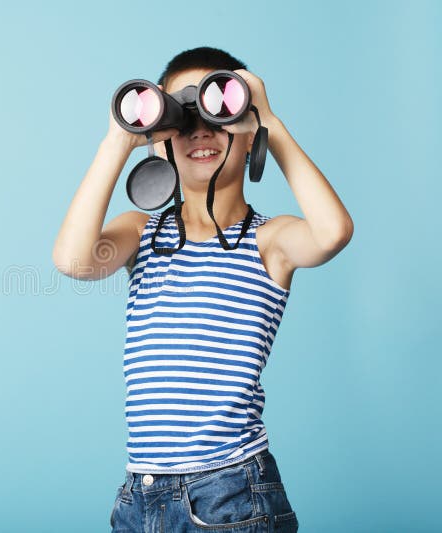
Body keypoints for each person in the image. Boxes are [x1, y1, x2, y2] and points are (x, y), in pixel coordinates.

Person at [51, 46, 353, 532]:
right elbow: (73, 260)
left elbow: (332, 231)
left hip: (230, 490)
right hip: (141, 493)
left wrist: (267, 119)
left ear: (244, 127)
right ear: (158, 138)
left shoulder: (269, 241)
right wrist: (118, 139)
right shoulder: (142, 232)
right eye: (180, 117)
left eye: (216, 113)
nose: (199, 131)